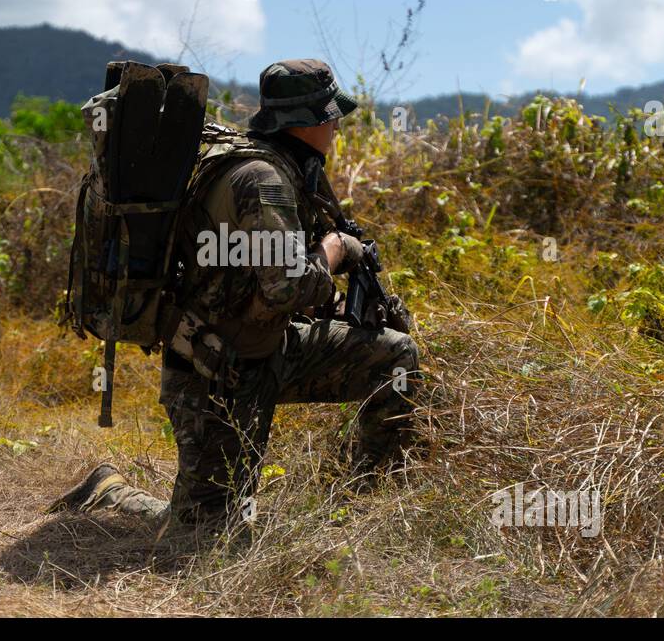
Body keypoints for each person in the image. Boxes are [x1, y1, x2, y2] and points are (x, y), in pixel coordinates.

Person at [51, 59, 419, 530]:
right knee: (202, 533)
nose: (336, 123)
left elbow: (259, 280)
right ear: (306, 121)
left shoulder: (282, 167)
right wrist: (335, 249)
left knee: (393, 356)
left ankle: (365, 505)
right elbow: (289, 285)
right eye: (330, 114)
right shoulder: (261, 180)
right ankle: (109, 492)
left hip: (266, 350)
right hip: (215, 373)